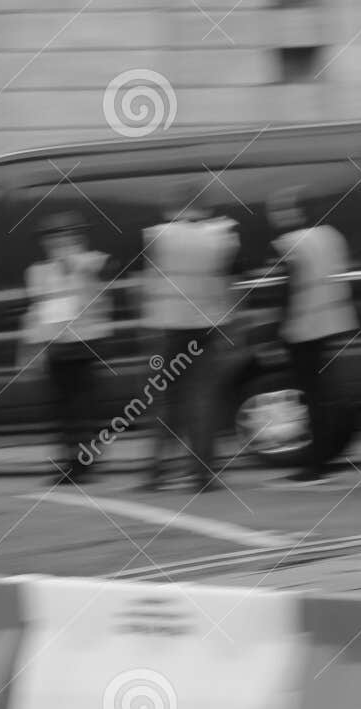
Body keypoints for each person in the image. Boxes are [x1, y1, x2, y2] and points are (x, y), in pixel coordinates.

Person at [141, 182, 240, 493]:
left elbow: (146, 282)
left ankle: (157, 472)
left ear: (175, 207)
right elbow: (230, 282)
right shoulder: (222, 236)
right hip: (206, 327)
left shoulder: (157, 236)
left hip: (167, 328)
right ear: (203, 207)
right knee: (204, 401)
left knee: (166, 401)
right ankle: (202, 474)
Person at [268, 189, 358, 484]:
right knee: (327, 393)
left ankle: (315, 464)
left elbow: (289, 289)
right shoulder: (331, 236)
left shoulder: (290, 243)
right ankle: (328, 456)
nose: (276, 218)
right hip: (331, 322)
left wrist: (280, 328)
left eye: (280, 211)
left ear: (295, 213)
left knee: (313, 398)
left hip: (303, 327)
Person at [24, 210, 111, 484]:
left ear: (76, 238)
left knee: (83, 409)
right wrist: (33, 349)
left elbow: (96, 268)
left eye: (65, 237)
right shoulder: (38, 272)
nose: (58, 244)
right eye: (53, 238)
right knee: (63, 412)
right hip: (55, 348)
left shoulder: (89, 262)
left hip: (84, 345)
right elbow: (36, 311)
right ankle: (69, 462)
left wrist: (71, 260)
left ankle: (85, 464)